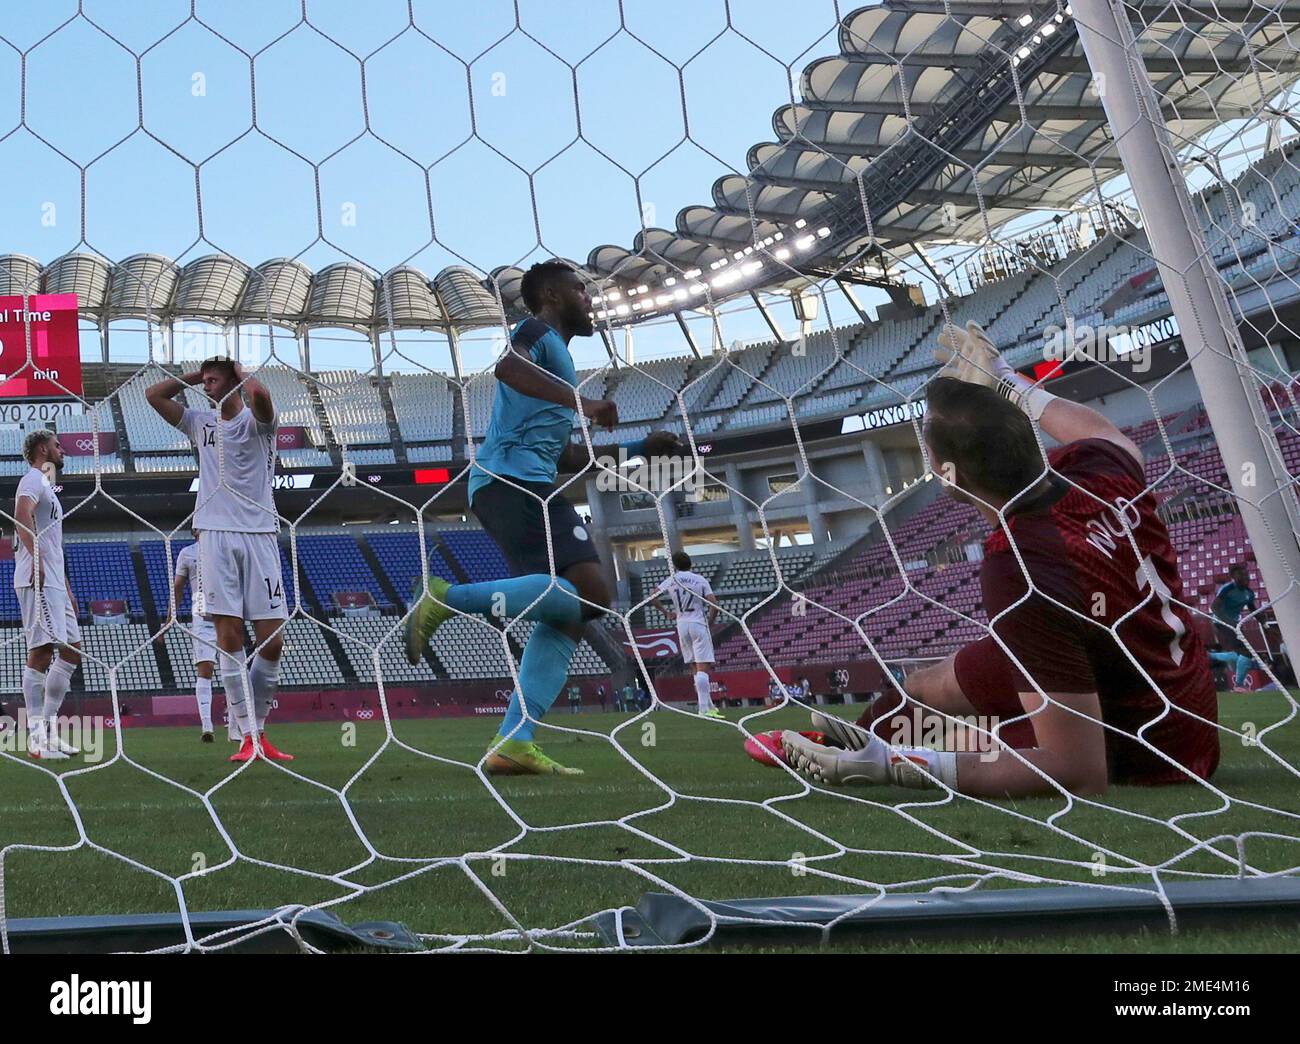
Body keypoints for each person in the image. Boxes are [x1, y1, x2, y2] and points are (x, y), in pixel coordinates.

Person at [785, 321, 1218, 797]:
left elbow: (1079, 770)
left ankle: (875, 756)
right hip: (1168, 686)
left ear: (947, 476)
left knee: (965, 737)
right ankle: (846, 742)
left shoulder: (1019, 561)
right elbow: (1100, 430)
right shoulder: (1095, 471)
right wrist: (1008, 380)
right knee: (928, 687)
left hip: (1156, 749)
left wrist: (900, 765)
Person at [404, 261, 684, 774]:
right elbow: (507, 367)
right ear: (553, 295)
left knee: (574, 612)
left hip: (523, 482)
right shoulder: (535, 332)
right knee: (594, 594)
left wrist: (642, 446)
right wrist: (584, 401)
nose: (589, 298)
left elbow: (570, 458)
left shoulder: (559, 363)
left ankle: (514, 740)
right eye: (581, 288)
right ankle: (443, 599)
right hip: (512, 482)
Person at [147, 358, 292, 763]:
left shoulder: (259, 423)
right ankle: (248, 736)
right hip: (214, 534)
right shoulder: (200, 423)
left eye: (214, 381)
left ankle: (260, 733)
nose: (207, 388)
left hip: (261, 532)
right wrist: (199, 376)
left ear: (234, 380)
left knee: (272, 640)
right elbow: (153, 394)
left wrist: (237, 373)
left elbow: (261, 396)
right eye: (204, 382)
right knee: (229, 639)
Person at [13, 431, 82, 760]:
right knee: (41, 652)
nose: (62, 450)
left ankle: (50, 732)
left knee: (72, 651)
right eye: (57, 445)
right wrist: (37, 560)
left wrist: (66, 585)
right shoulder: (33, 480)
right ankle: (36, 740)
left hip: (54, 579)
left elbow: (53, 542)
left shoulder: (49, 488)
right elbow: (21, 514)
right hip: (36, 576)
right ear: (43, 449)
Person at [166, 531, 224, 742]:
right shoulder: (187, 553)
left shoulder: (223, 549)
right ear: (194, 531)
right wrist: (168, 621)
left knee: (233, 668)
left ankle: (239, 728)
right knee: (205, 668)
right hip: (202, 614)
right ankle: (207, 726)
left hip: (227, 612)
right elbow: (178, 588)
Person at [651, 550, 723, 718]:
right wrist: (710, 622)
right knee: (703, 666)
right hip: (698, 623)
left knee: (695, 667)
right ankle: (703, 709)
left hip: (682, 625)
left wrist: (666, 612)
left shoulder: (672, 580)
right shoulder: (699, 579)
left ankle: (708, 705)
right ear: (690, 563)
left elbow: (652, 596)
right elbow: (714, 604)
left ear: (674, 566)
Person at [1211, 564, 1257, 692]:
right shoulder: (1227, 589)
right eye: (1241, 575)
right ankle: (1238, 685)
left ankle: (1210, 656)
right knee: (1246, 652)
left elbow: (1253, 609)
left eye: (1246, 575)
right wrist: (1229, 622)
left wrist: (1264, 623)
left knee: (1240, 654)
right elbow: (1214, 607)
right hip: (1221, 623)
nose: (1245, 577)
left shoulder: (1249, 593)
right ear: (1233, 578)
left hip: (1235, 624)